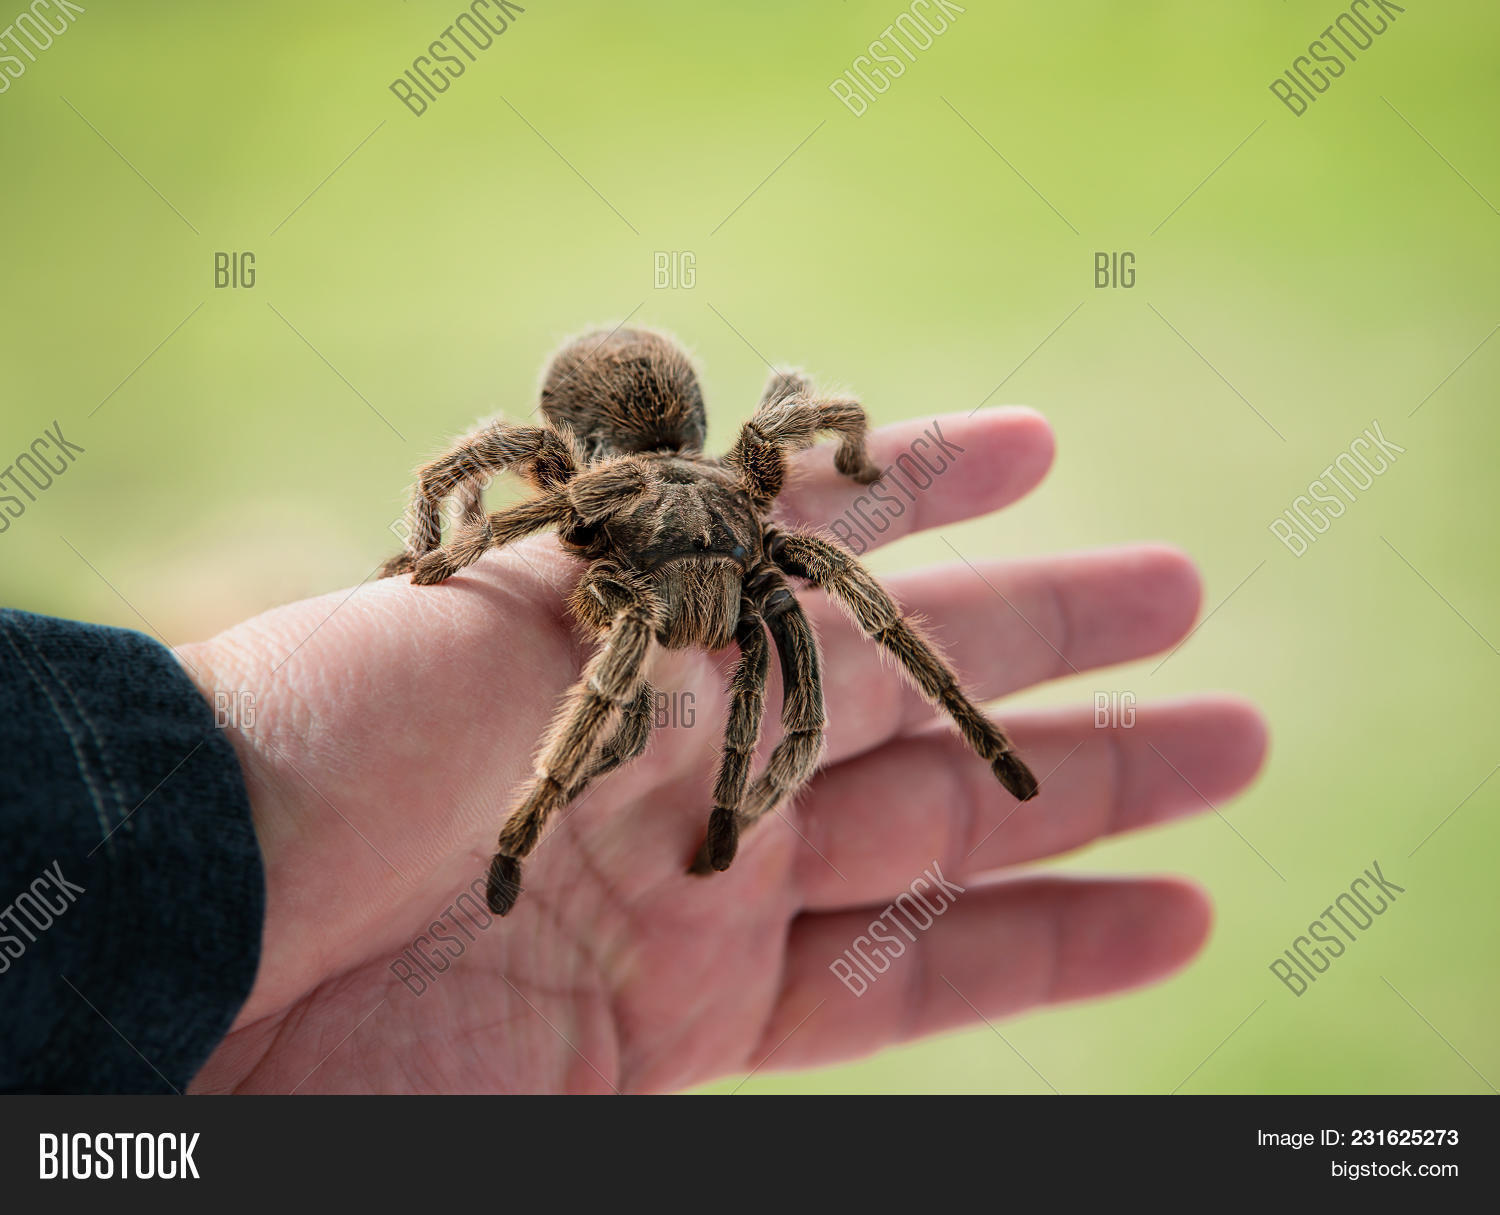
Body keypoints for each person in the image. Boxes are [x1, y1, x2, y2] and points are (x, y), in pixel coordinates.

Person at [0, 407, 1266, 1093]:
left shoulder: (759, 523)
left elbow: (817, 461)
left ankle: (774, 798)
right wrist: (435, 559)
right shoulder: (578, 498)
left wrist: (960, 723)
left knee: (809, 662)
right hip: (625, 523)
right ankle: (524, 829)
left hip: (704, 521)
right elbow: (475, 464)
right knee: (630, 669)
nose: (723, 618)